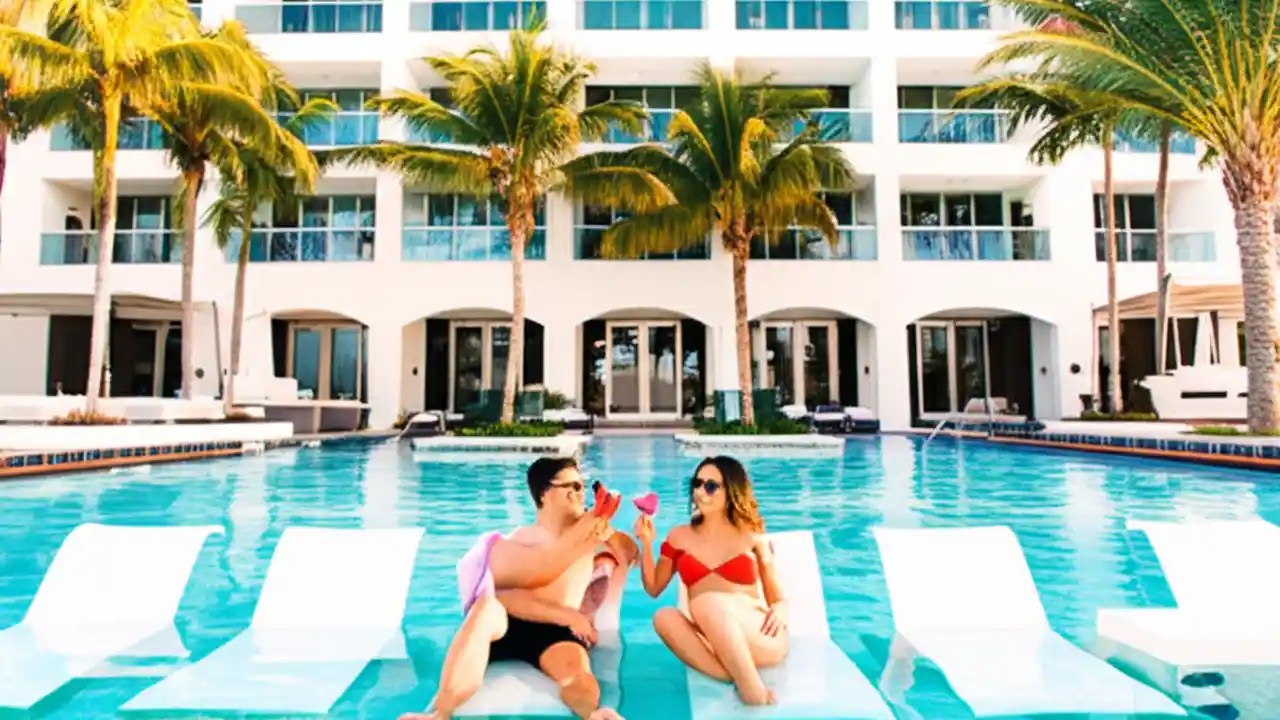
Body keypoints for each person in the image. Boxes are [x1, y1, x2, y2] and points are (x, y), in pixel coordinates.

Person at [401, 457, 636, 720]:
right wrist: (567, 615)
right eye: (571, 486)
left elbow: (629, 554)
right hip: (506, 623)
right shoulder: (515, 542)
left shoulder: (591, 538)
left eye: (583, 487)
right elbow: (504, 597)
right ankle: (441, 714)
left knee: (578, 677)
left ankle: (592, 714)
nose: (580, 494)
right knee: (485, 608)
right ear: (544, 493)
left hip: (555, 634)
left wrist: (607, 531)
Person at [632, 456, 788, 706]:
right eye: (697, 484)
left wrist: (781, 610)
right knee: (663, 617)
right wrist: (646, 543)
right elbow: (653, 588)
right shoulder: (679, 537)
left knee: (707, 601)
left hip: (757, 634)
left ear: (732, 491)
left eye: (711, 486)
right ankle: (734, 675)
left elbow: (777, 598)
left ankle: (752, 691)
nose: (699, 492)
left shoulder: (752, 537)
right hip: (712, 639)